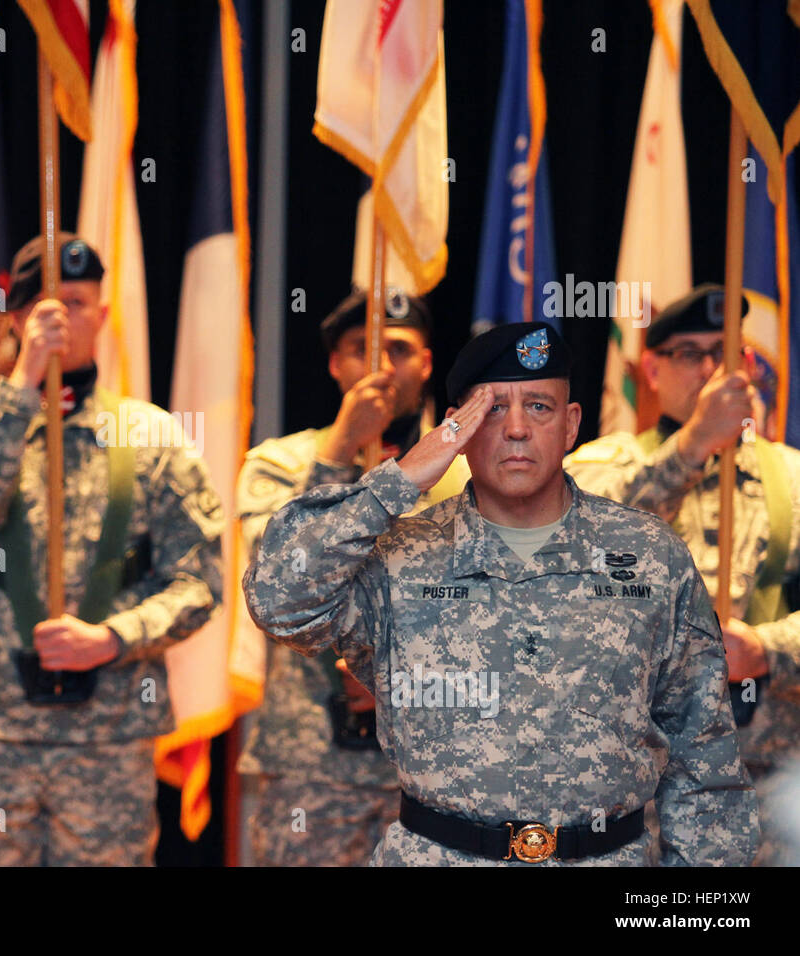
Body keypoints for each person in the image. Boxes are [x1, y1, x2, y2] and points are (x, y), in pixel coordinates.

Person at [244, 321, 759, 865]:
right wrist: (401, 479)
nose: (516, 428)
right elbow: (279, 602)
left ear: (570, 425)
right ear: (457, 432)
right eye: (491, 409)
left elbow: (705, 760)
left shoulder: (650, 555)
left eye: (539, 406)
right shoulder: (399, 559)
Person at [0, 232, 224, 866]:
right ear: (16, 318)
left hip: (108, 738)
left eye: (79, 304)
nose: (63, 320)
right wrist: (24, 381)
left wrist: (114, 638)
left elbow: (201, 583)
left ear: (104, 317)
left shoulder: (151, 434)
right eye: (46, 307)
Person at [566, 284, 800, 865]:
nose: (709, 370)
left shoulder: (791, 478)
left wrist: (768, 648)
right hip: (628, 784)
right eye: (689, 353)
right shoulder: (603, 467)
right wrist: (693, 445)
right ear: (651, 368)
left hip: (764, 780)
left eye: (724, 353)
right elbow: (572, 568)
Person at [236, 288, 468, 865]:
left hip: (436, 760)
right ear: (336, 364)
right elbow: (272, 574)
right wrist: (339, 450)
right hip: (311, 763)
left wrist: (398, 668)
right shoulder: (279, 463)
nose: (383, 365)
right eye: (361, 349)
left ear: (427, 363)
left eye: (398, 348)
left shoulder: (467, 475)